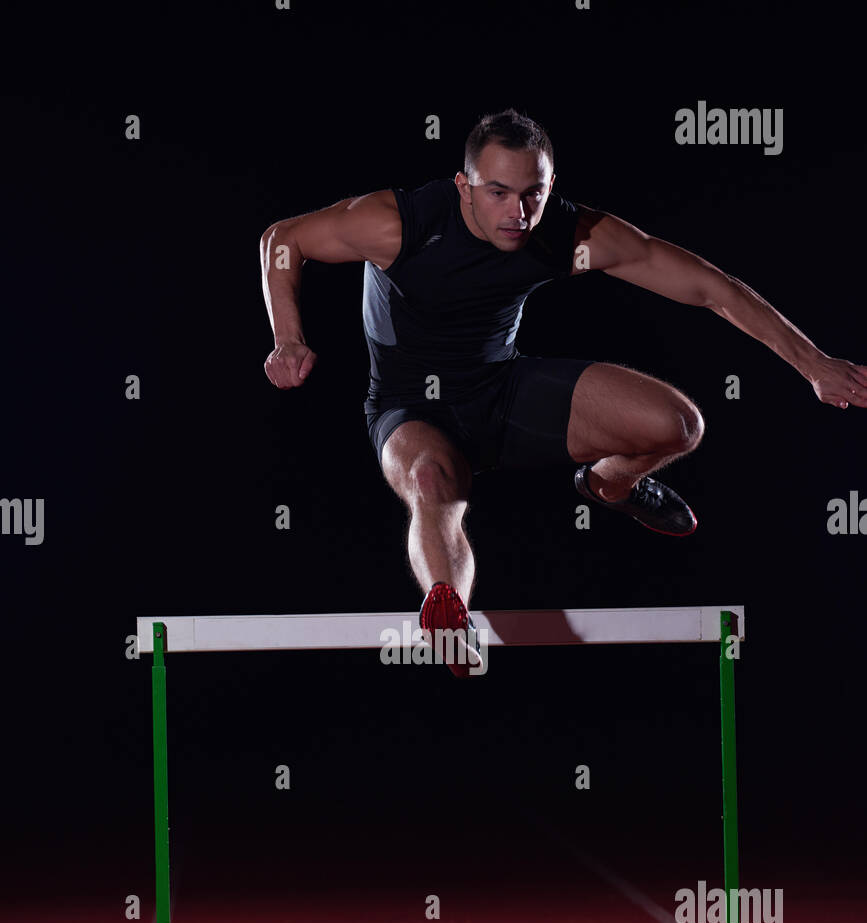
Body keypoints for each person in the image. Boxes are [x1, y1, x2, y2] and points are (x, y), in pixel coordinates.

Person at [260, 107, 865, 676]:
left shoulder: (568, 232)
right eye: (497, 192)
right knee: (428, 482)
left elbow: (710, 288)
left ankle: (610, 483)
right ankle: (448, 613)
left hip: (502, 391)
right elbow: (281, 240)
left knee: (679, 425)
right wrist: (288, 338)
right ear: (464, 185)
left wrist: (813, 364)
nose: (517, 213)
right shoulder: (399, 223)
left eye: (533, 194)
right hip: (409, 409)